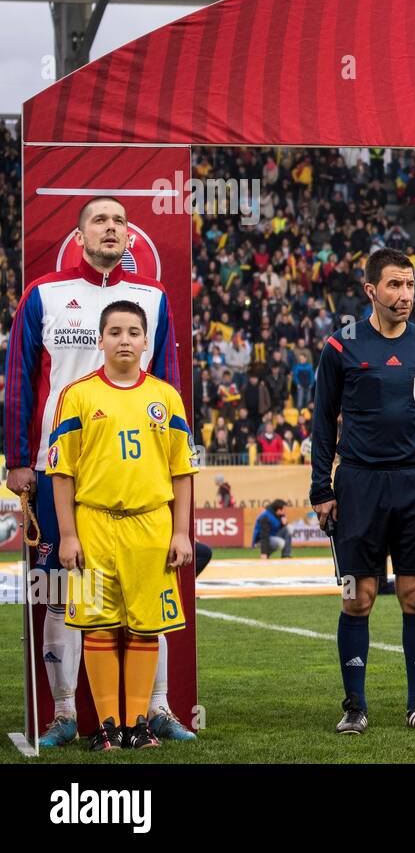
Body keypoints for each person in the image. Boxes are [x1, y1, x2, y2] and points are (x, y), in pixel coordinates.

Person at [2, 196, 195, 746]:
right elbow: (18, 379)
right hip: (57, 473)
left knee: (146, 597)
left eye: (119, 222)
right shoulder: (44, 295)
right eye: (99, 221)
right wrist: (18, 458)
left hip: (138, 481)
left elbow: (171, 389)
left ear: (131, 238)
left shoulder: (152, 299)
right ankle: (64, 713)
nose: (110, 229)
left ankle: (155, 710)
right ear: (79, 234)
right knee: (64, 592)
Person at [310, 247, 415, 735]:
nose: (405, 295)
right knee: (358, 597)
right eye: (395, 285)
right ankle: (354, 706)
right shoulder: (341, 346)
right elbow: (321, 423)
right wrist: (321, 489)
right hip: (358, 484)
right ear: (371, 290)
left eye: (411, 285)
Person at [46, 301, 197, 750]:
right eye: (115, 332)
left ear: (146, 341)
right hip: (93, 525)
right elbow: (62, 472)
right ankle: (107, 727)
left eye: (133, 332)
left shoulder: (166, 396)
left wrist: (181, 531)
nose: (124, 340)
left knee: (144, 627)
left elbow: (182, 469)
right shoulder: (78, 395)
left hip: (151, 525)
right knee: (98, 627)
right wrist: (69, 534)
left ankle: (138, 724)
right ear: (101, 339)